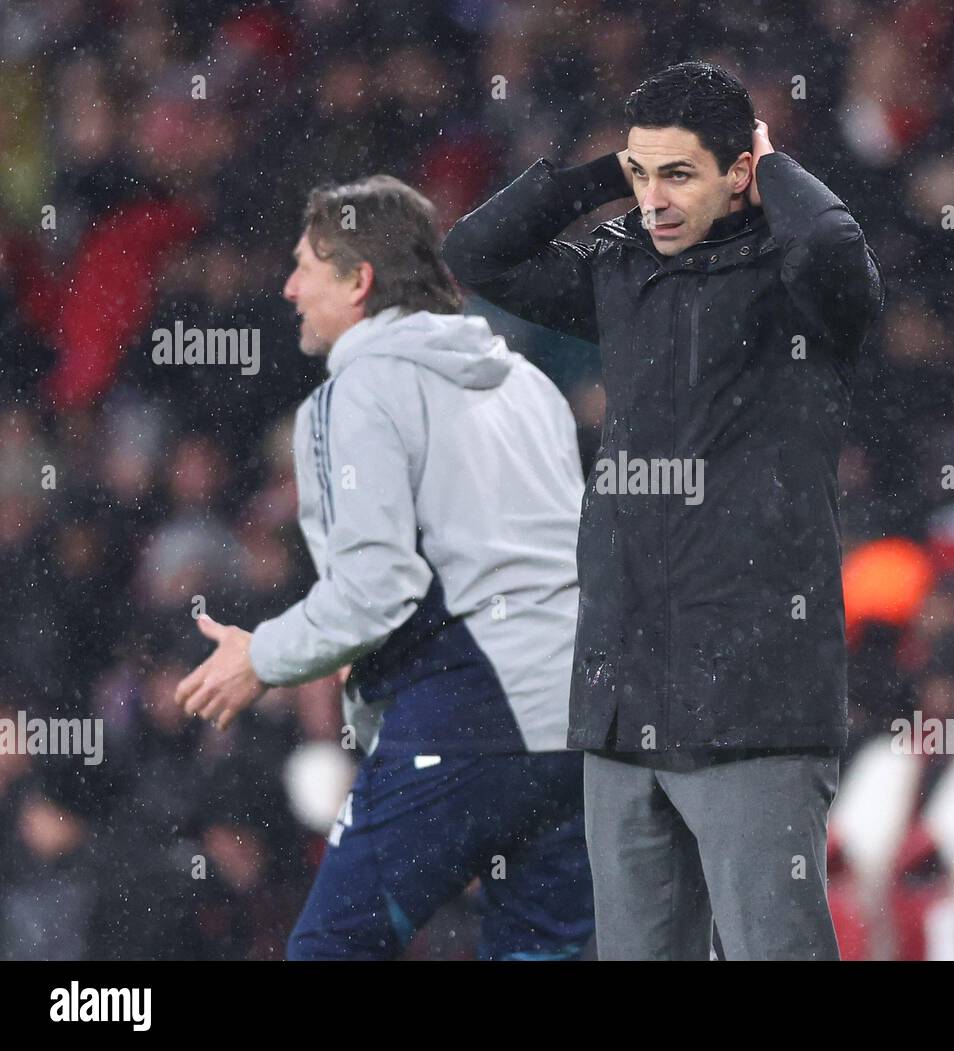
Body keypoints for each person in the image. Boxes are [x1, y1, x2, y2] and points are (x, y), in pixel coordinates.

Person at [442, 61, 884, 960]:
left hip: (752, 702)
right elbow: (475, 254)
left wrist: (775, 162)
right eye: (641, 177)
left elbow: (836, 250)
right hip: (622, 697)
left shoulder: (800, 281)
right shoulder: (621, 267)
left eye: (679, 175)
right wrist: (622, 168)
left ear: (741, 172)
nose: (654, 201)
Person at [174, 174, 594, 960]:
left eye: (306, 266)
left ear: (359, 281)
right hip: (580, 721)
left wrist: (260, 656)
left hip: (466, 710)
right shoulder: (530, 384)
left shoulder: (357, 393)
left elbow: (375, 588)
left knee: (332, 948)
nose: (289, 286)